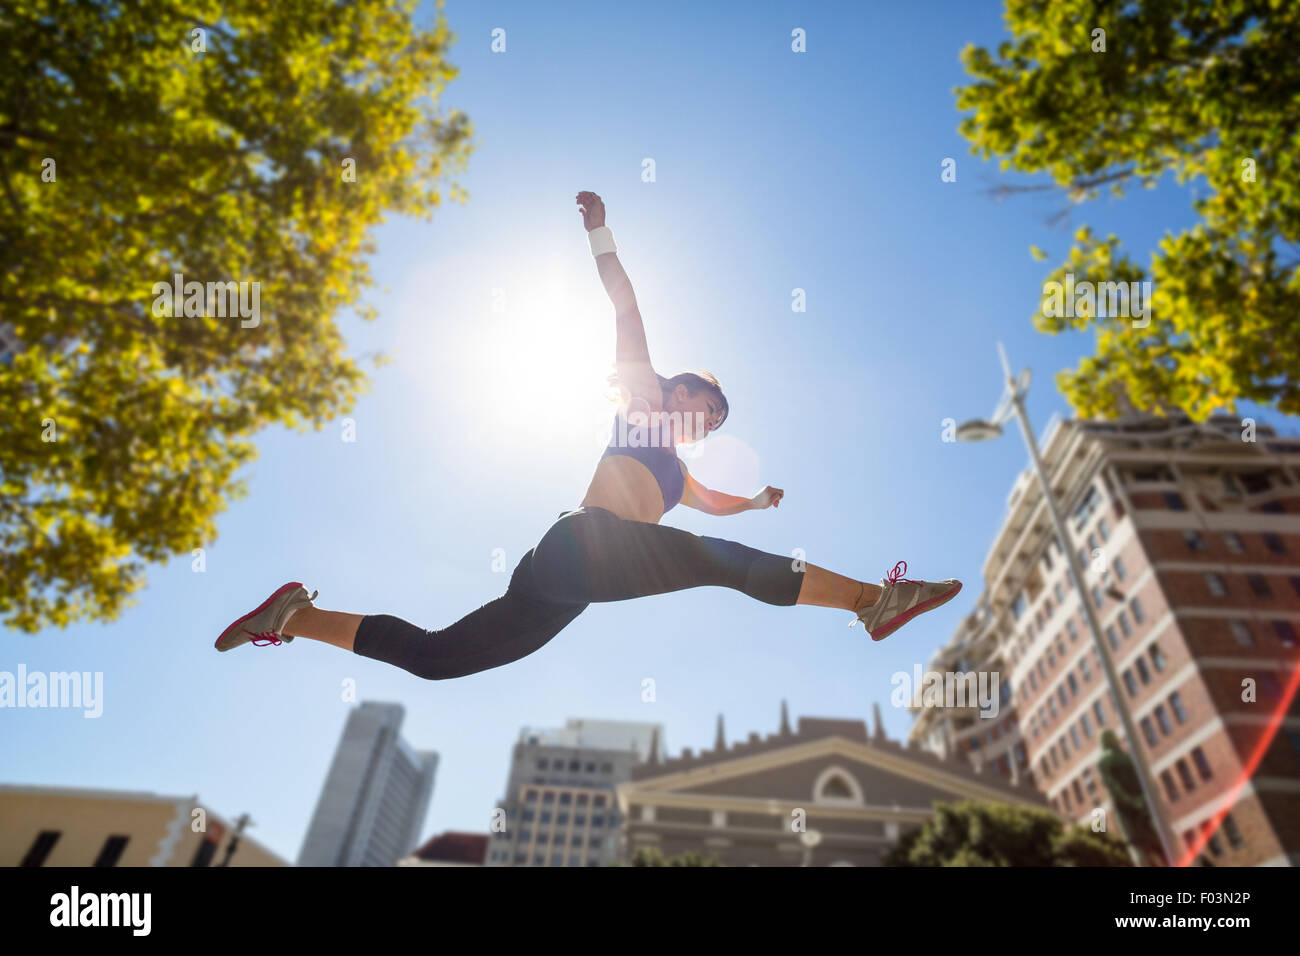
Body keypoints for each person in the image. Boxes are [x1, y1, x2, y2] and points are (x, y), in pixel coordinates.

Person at [214, 191, 962, 677]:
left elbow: (714, 504)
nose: (705, 422)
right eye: (705, 406)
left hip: (569, 577)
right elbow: (625, 303)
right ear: (680, 388)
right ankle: (871, 600)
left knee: (439, 660)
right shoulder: (640, 396)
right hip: (583, 543)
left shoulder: (675, 471)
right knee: (720, 566)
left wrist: (760, 500)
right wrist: (602, 233)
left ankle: (293, 615)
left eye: (715, 423)